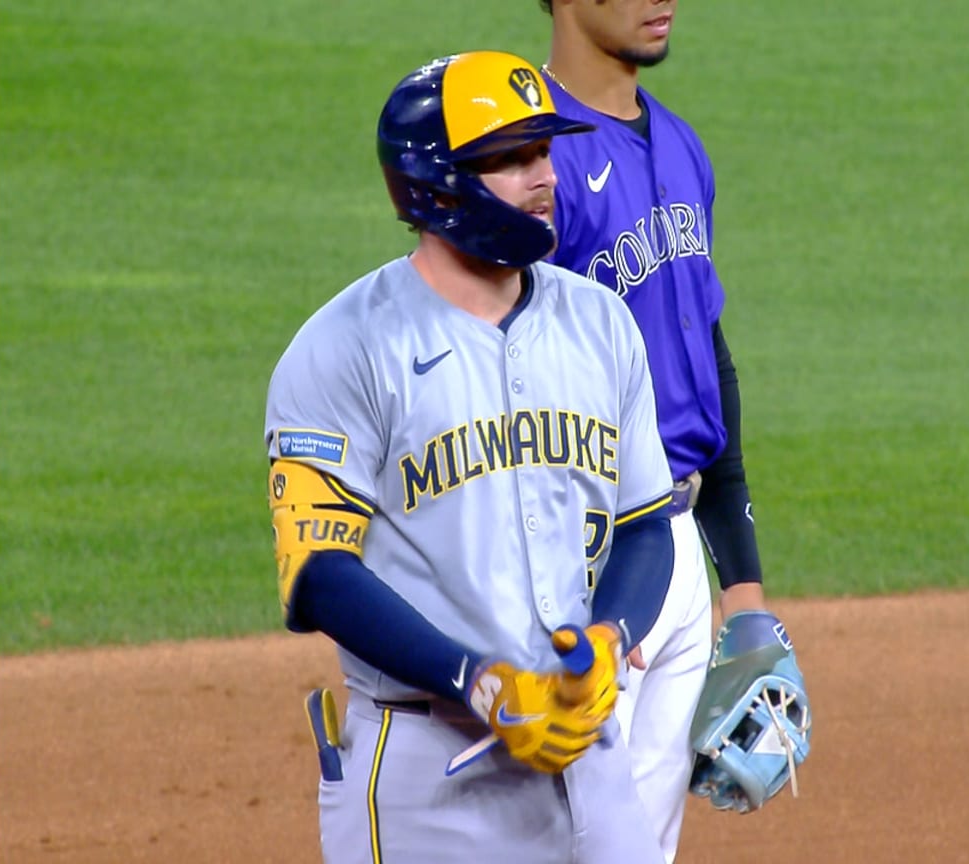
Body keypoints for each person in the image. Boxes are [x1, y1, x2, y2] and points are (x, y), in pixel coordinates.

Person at [263, 50, 676, 864]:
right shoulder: (344, 348)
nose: (544, 177)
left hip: (587, 753)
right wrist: (479, 682)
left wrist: (610, 635)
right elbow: (318, 573)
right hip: (430, 773)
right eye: (511, 159)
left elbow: (644, 525)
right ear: (436, 182)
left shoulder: (601, 324)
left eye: (544, 151)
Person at [536, 1, 795, 858]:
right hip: (592, 562)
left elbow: (707, 367)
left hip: (678, 554)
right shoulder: (531, 162)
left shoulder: (682, 146)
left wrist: (743, 590)